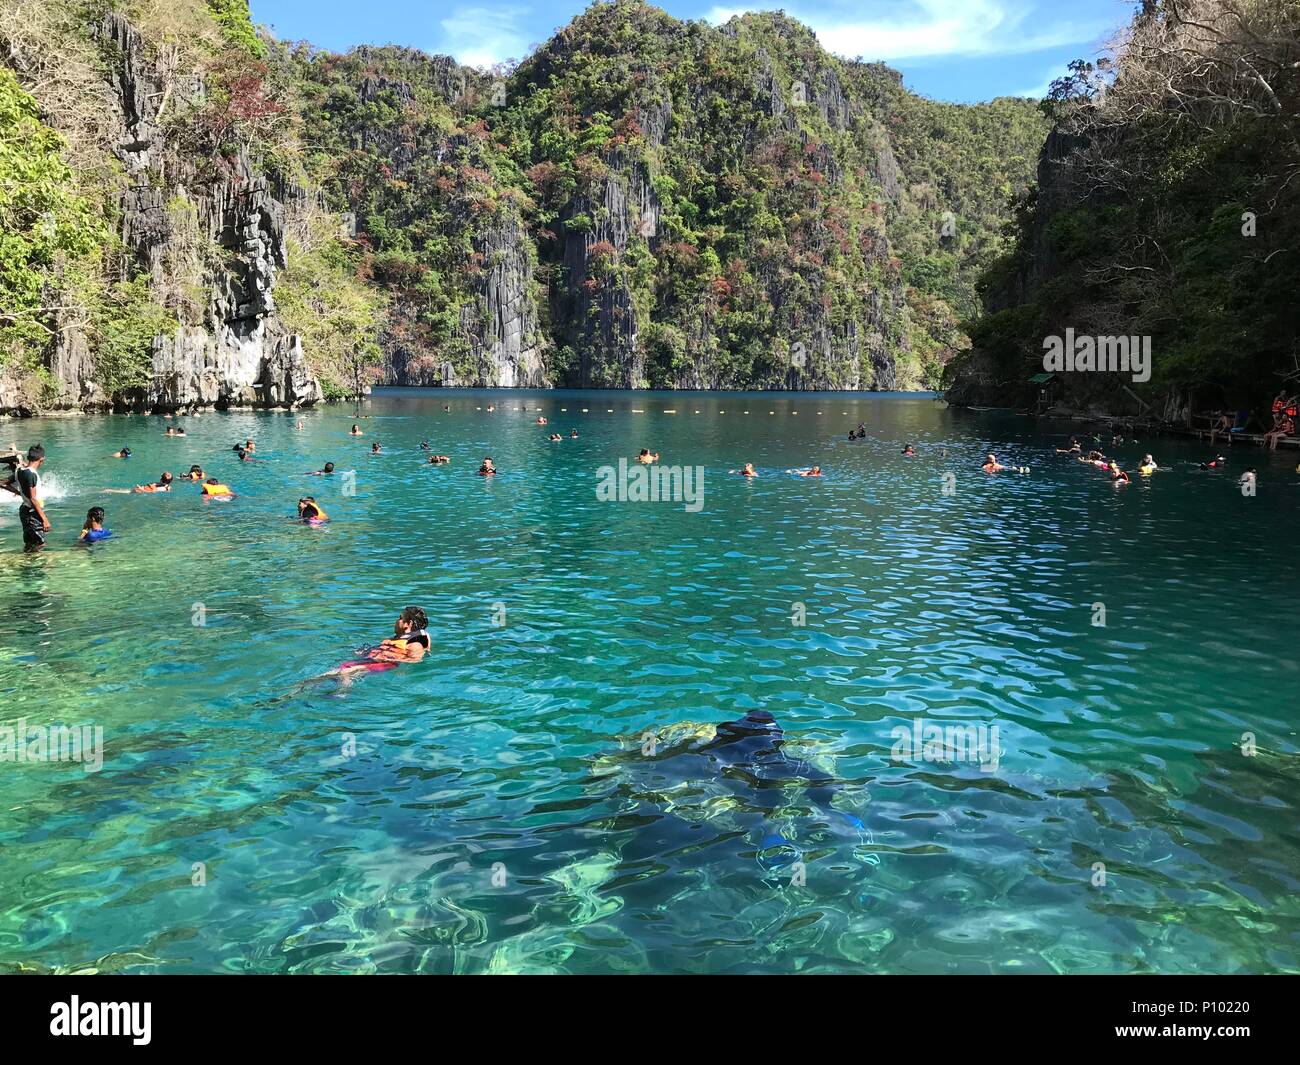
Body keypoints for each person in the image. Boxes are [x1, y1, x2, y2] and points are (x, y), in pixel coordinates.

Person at [331, 606, 431, 680]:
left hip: (386, 663)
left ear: (408, 624)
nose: (397, 621)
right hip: (371, 660)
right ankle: (316, 686)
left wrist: (387, 658)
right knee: (334, 671)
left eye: (400, 618)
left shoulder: (415, 643)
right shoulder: (394, 639)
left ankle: (342, 694)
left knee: (345, 672)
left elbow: (415, 661)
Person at [11, 444, 49, 550]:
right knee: (39, 544)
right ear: (42, 459)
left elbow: (4, 483)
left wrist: (21, 493)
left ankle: (27, 564)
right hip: (33, 513)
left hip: (24, 511)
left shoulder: (19, 471)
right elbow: (33, 498)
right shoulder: (32, 474)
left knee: (29, 543)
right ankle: (38, 566)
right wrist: (44, 519)